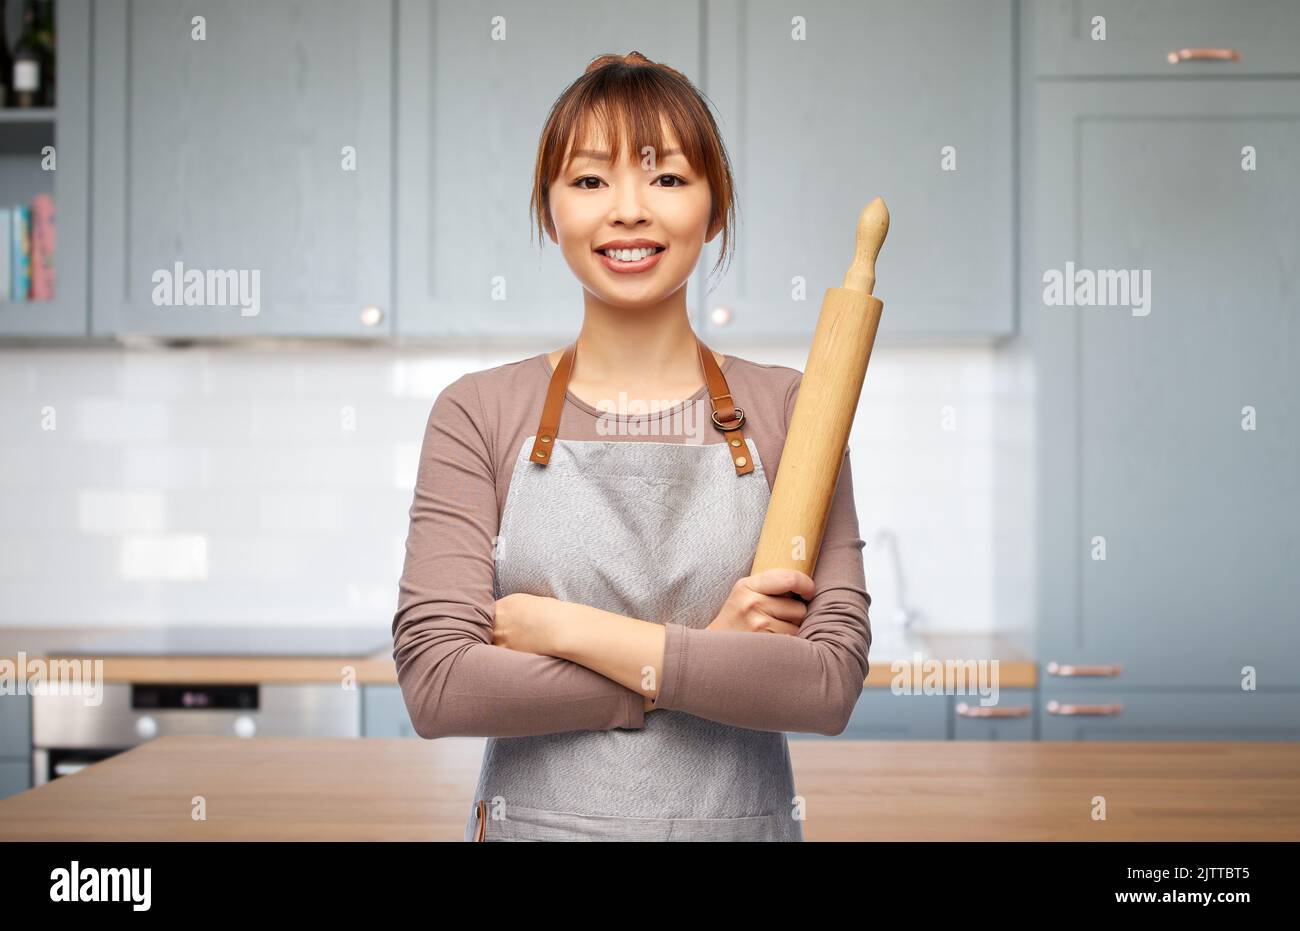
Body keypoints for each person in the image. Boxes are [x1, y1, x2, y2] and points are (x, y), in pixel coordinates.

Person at [391, 51, 872, 841]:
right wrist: (705, 660)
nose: (628, 211)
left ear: (714, 208)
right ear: (550, 211)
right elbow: (441, 687)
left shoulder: (794, 410)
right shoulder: (477, 413)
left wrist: (564, 629)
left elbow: (824, 686)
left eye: (667, 178)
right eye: (589, 181)